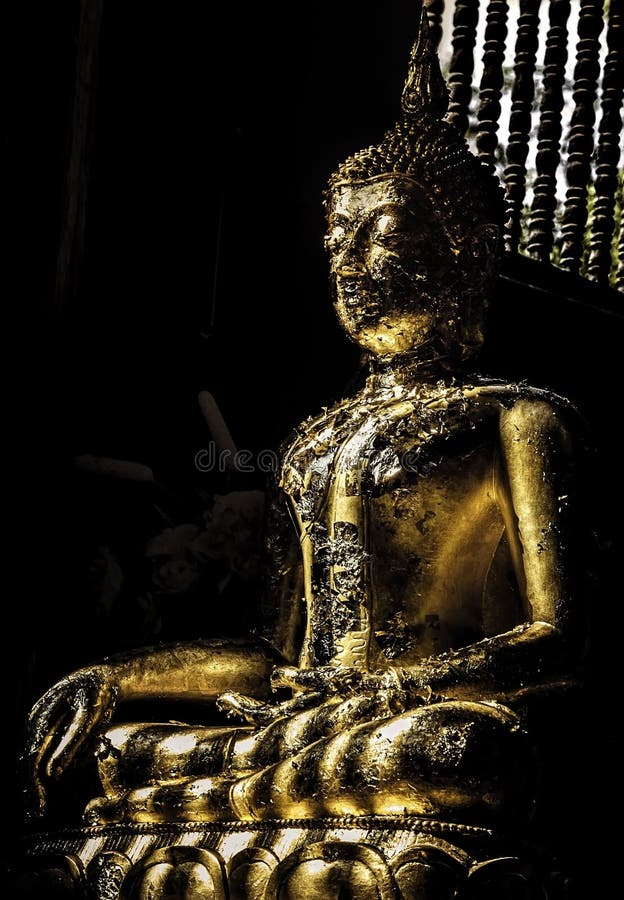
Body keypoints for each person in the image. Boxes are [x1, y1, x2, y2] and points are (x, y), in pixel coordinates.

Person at [26, 12, 582, 828]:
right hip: (304, 735)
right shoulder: (313, 443)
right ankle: (248, 796)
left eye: (380, 237)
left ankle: (241, 808)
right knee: (117, 751)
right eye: (336, 241)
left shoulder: (517, 419)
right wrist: (117, 677)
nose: (349, 265)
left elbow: (561, 640)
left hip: (413, 723)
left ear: (468, 254)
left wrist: (387, 693)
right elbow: (273, 657)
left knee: (454, 751)